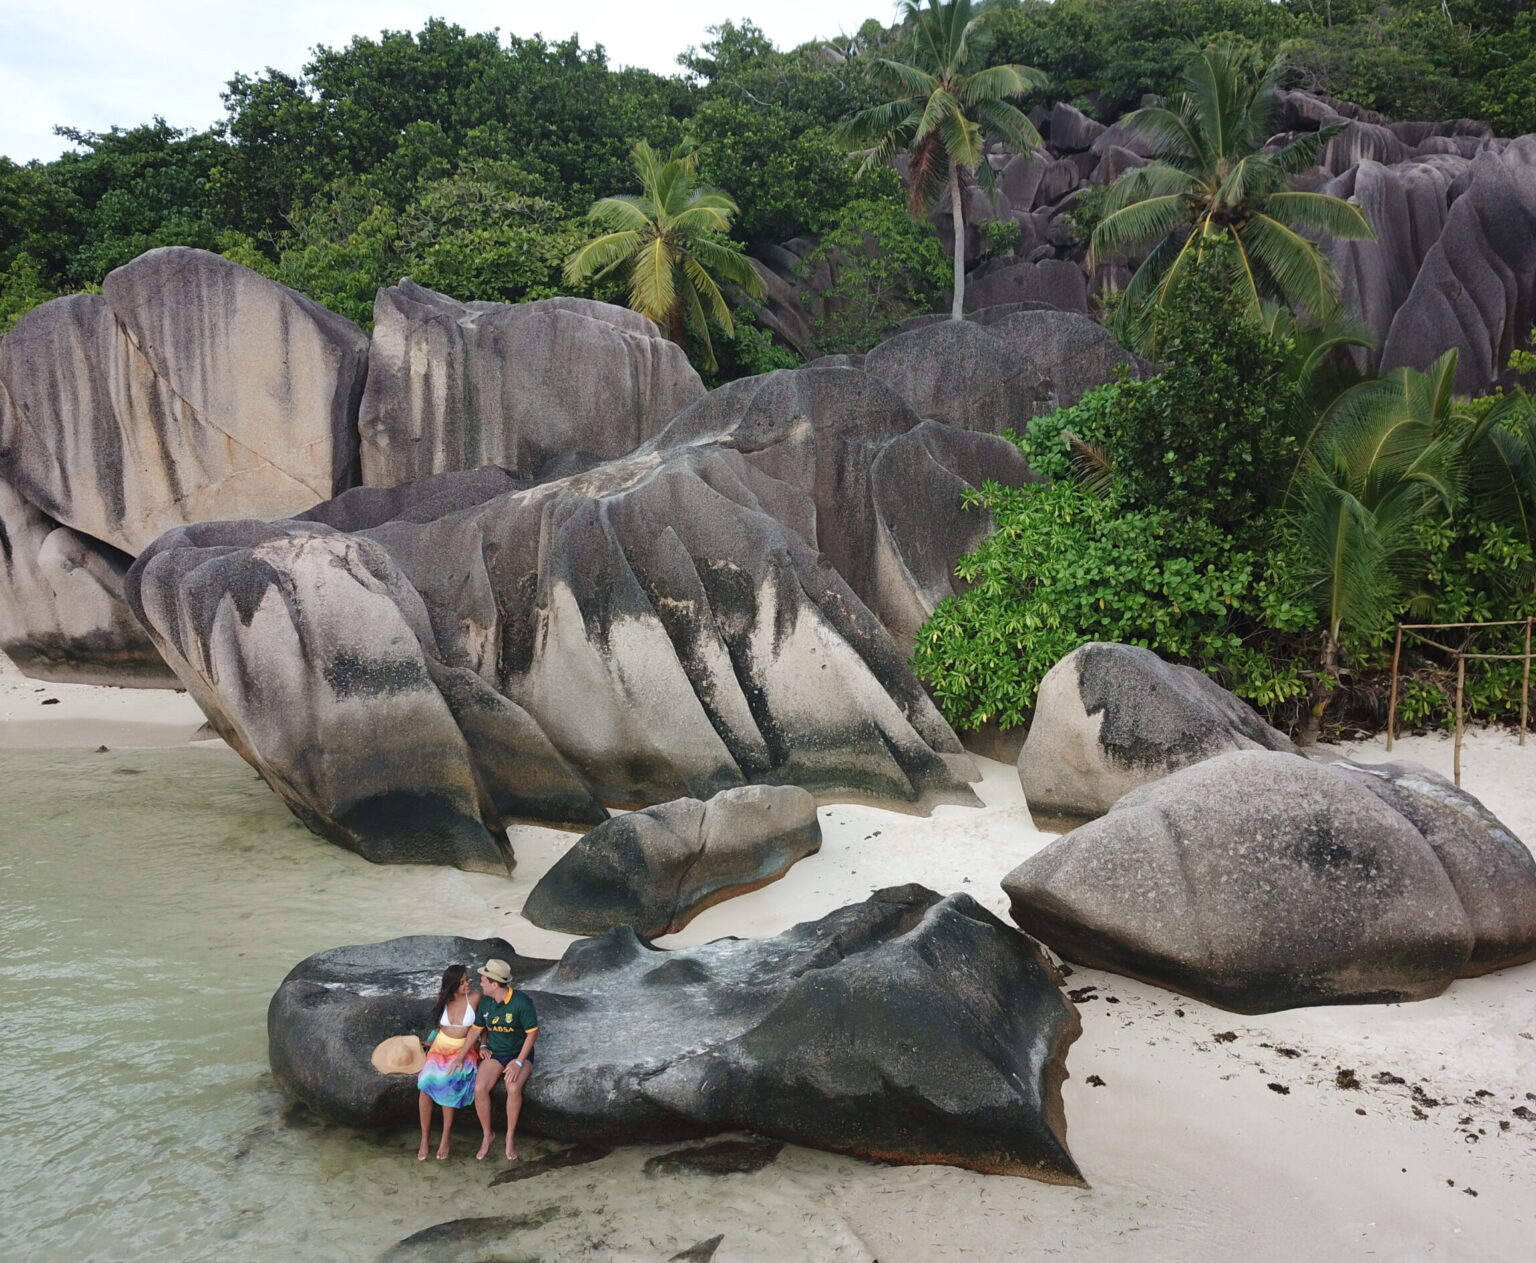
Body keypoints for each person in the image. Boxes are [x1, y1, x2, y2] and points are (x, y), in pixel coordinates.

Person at [472, 957, 539, 1161]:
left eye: (484, 980)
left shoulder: (522, 1002)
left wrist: (518, 1062)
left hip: (519, 1054)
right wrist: (483, 1045)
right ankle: (487, 1134)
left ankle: (510, 1136)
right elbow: (479, 1028)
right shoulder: (486, 1002)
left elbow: (532, 1034)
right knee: (479, 1088)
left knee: (513, 1087)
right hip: (495, 1053)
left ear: (494, 984)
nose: (481, 983)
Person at [415, 964, 481, 1160]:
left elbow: (481, 1027)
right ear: (452, 986)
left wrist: (484, 1046)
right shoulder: (442, 999)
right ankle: (425, 1138)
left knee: (450, 1081)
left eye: (467, 979)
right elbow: (438, 1027)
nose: (467, 984)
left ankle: (446, 1136)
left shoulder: (475, 997)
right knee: (425, 1085)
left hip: (464, 1049)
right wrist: (431, 1042)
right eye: (462, 983)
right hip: (440, 1047)